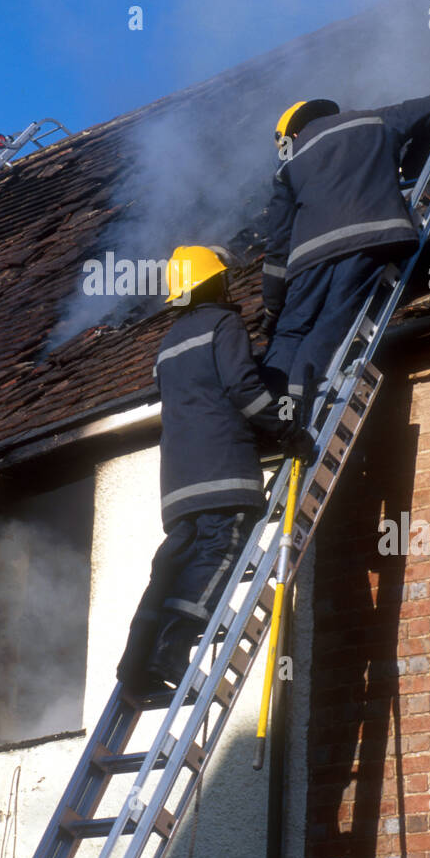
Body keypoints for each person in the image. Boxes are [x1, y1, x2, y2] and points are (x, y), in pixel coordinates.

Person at [117, 245, 285, 695]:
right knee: (220, 554)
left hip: (178, 485)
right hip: (223, 472)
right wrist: (282, 426)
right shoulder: (224, 324)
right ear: (215, 282)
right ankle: (169, 654)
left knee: (171, 565)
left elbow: (193, 398)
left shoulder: (168, 344)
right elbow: (240, 386)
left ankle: (134, 664)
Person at [260, 95, 430, 424]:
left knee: (290, 332)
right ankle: (297, 407)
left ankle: (281, 415)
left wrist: (272, 307)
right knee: (333, 320)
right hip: (373, 239)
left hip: (309, 258)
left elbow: (278, 244)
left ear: (290, 136)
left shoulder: (289, 162)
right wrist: (412, 165)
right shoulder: (375, 119)